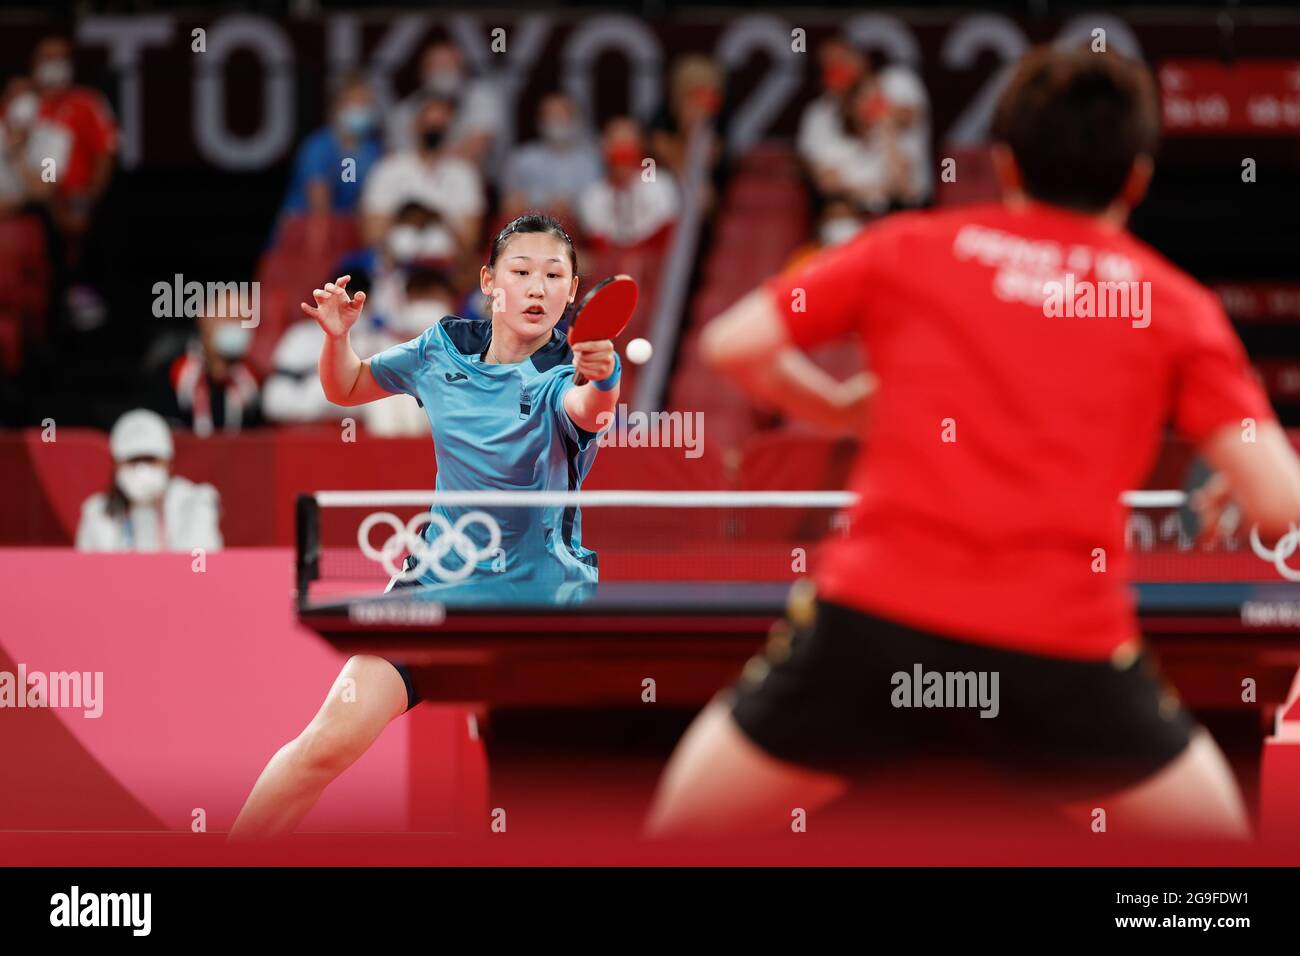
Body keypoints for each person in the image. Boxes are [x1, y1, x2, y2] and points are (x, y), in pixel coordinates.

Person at [647, 46, 1300, 839]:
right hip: (1065, 650)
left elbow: (734, 345)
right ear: (1136, 178)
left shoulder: (911, 248)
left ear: (1006, 163)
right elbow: (1279, 502)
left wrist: (841, 411)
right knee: (1218, 870)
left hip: (873, 627)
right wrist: (1242, 470)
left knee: (683, 832)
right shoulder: (1175, 305)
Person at [229, 213, 621, 840]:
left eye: (554, 276)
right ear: (491, 282)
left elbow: (589, 409)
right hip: (440, 586)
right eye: (521, 272)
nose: (537, 288)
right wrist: (337, 339)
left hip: (545, 606)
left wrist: (600, 380)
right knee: (324, 746)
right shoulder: (441, 348)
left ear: (572, 292)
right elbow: (349, 386)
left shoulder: (568, 372)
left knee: (554, 794)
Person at [76, 409, 222, 552]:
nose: (142, 469)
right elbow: (88, 570)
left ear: (168, 463)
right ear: (116, 465)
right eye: (133, 461)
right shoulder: (96, 511)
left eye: (150, 460)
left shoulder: (194, 502)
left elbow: (203, 563)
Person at [361, 94, 485, 254]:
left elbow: (470, 241)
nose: (433, 128)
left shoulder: (465, 173)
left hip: (446, 267)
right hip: (395, 264)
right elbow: (373, 236)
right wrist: (409, 216)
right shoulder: (387, 169)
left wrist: (435, 217)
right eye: (429, 122)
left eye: (440, 124)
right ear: (415, 124)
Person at [384, 40, 504, 173]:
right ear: (422, 72)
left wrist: (439, 174)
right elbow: (396, 159)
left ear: (462, 67)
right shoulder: (404, 112)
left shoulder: (482, 96)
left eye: (449, 64)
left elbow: (478, 146)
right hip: (413, 184)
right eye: (436, 65)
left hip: (469, 179)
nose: (444, 70)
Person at [279, 73, 382, 219]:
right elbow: (319, 206)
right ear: (337, 106)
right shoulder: (318, 148)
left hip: (351, 232)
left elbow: (370, 199)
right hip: (310, 232)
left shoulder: (372, 149)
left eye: (366, 103)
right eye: (355, 103)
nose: (361, 109)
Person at [578, 117, 680, 248]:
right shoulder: (592, 195)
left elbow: (666, 236)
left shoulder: (661, 184)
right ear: (604, 148)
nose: (621, 150)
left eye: (627, 142)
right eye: (615, 143)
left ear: (640, 145)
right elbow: (599, 243)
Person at [500, 92, 603, 220]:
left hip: (573, 230)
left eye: (562, 114)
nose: (556, 119)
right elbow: (510, 202)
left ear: (576, 119)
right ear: (539, 120)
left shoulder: (589, 161)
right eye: (550, 114)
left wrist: (569, 205)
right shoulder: (522, 158)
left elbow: (596, 205)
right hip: (528, 228)